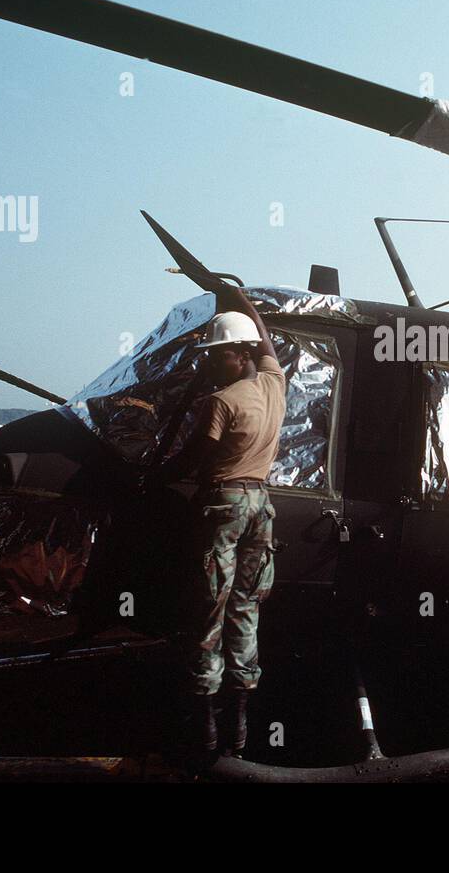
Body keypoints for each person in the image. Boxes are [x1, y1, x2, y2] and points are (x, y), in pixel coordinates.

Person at [171, 285, 286, 768]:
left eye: (219, 354)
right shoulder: (273, 384)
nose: (213, 362)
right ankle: (240, 724)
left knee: (210, 608)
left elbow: (195, 457)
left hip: (224, 503)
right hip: (261, 504)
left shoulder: (220, 401)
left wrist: (156, 478)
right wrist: (243, 302)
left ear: (238, 357)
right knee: (245, 607)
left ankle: (207, 725)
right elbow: (267, 345)